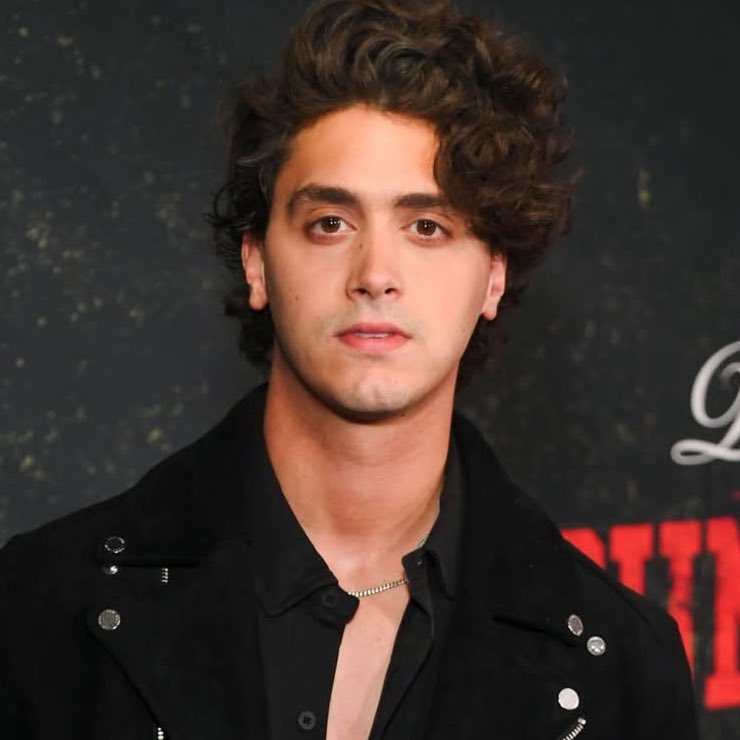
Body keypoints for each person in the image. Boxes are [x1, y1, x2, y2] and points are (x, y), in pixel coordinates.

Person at [0, 1, 699, 738]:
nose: (375, 274)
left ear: (493, 276)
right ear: (256, 261)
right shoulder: (38, 611)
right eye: (330, 223)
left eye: (427, 227)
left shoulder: (621, 669)